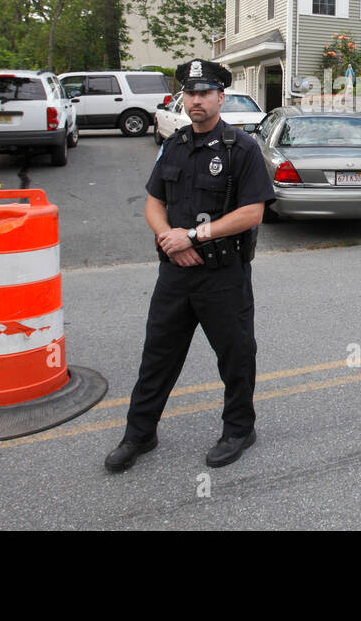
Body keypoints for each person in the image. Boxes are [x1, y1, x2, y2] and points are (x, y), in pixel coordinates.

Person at [106, 58, 275, 472]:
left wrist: (194, 236)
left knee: (235, 355)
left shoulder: (242, 148)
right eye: (189, 93)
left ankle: (239, 429)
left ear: (220, 97)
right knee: (157, 356)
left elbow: (252, 212)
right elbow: (154, 201)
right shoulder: (174, 144)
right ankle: (139, 434)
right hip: (175, 272)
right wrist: (169, 237)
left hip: (223, 275)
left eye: (204, 93)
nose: (195, 100)